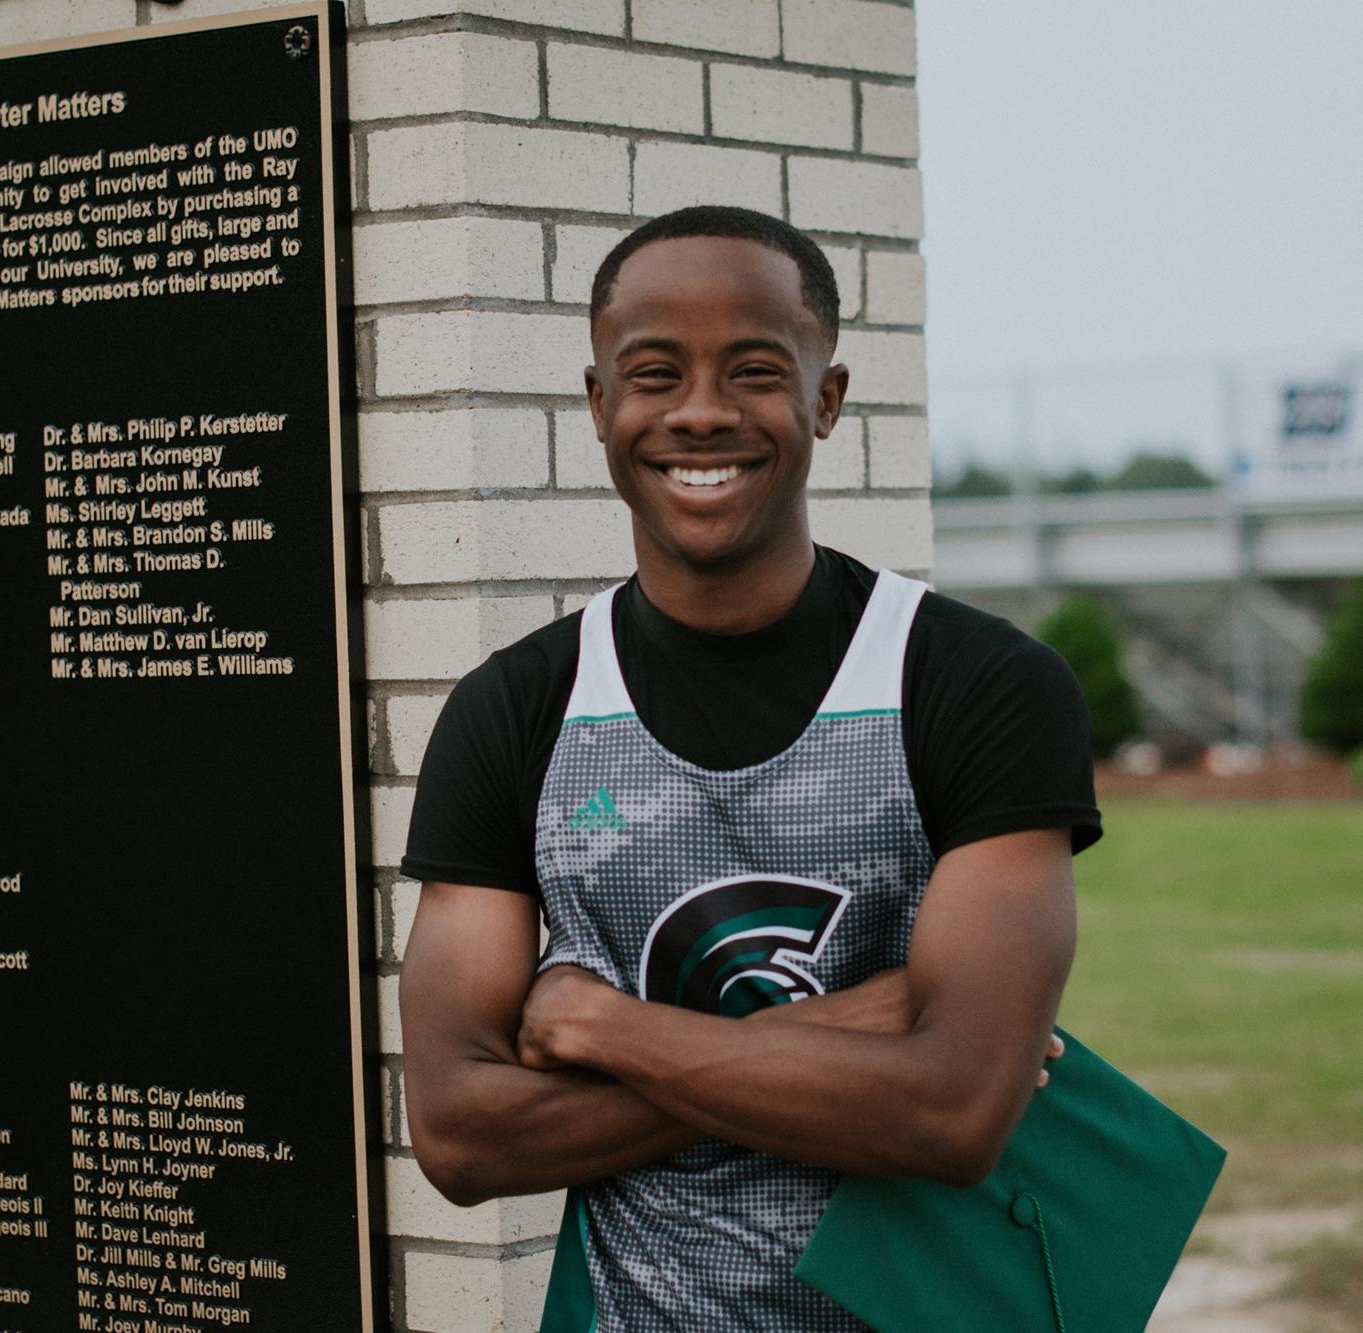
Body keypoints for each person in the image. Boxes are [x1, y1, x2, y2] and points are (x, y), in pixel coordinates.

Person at [398, 205, 1102, 1330]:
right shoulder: (516, 709)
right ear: (598, 404)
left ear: (826, 397)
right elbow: (461, 1137)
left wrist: (602, 1028)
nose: (701, 412)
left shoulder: (975, 683)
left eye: (755, 370)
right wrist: (843, 1027)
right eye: (655, 373)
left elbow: (954, 1114)